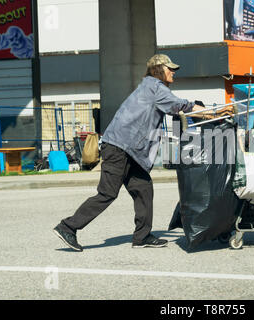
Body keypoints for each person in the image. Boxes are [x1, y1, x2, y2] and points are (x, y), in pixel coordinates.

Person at [53, 54, 232, 251]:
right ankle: (67, 227)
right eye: (170, 69)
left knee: (143, 189)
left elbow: (178, 108)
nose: (173, 72)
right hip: (119, 148)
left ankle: (142, 236)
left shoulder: (151, 88)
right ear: (158, 70)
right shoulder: (155, 88)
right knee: (107, 194)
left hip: (131, 152)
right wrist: (215, 113)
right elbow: (182, 107)